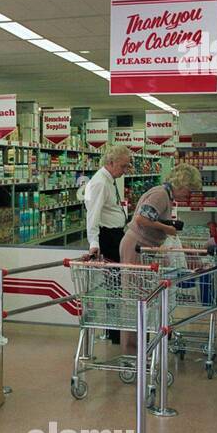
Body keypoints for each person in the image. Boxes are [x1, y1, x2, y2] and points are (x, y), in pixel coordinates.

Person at [120, 163, 202, 353]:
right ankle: (131, 351)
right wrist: (168, 229)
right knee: (134, 300)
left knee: (140, 297)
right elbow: (141, 219)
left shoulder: (165, 195)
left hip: (144, 247)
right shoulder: (160, 195)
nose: (188, 195)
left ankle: (139, 348)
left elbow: (150, 219)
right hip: (136, 246)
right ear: (181, 183)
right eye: (188, 190)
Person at [83, 144, 132, 342]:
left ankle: (118, 330)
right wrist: (93, 243)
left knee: (118, 284)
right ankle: (115, 332)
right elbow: (92, 216)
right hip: (108, 238)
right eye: (123, 166)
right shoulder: (100, 183)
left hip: (116, 235)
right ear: (111, 163)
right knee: (115, 285)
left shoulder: (109, 180)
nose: (125, 170)